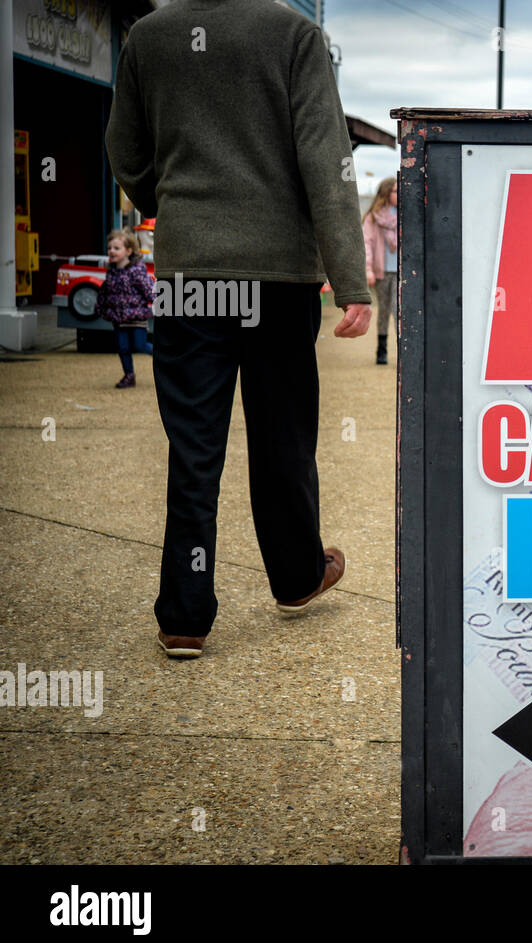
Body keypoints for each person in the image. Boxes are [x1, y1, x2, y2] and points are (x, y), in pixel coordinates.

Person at [105, 0, 372, 659]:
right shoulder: (293, 35)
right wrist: (351, 279)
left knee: (195, 446)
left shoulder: (149, 36)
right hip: (278, 278)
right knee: (283, 435)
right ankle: (296, 575)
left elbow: (124, 149)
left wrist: (178, 204)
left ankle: (185, 616)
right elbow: (326, 161)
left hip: (193, 275)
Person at [95, 229, 154, 389]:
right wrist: (101, 309)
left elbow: (149, 289)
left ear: (128, 251)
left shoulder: (137, 271)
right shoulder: (112, 272)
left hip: (136, 317)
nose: (111, 251)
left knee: (140, 345)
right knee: (123, 348)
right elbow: (104, 293)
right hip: (118, 318)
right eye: (110, 248)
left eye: (116, 248)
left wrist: (158, 303)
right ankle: (129, 375)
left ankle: (164, 357)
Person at [363, 177, 398, 365]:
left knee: (397, 310)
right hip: (382, 272)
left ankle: (404, 350)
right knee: (383, 311)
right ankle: (381, 351)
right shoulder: (373, 217)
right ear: (386, 193)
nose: (399, 194)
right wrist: (368, 269)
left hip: (401, 273)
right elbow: (366, 244)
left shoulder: (405, 215)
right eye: (395, 191)